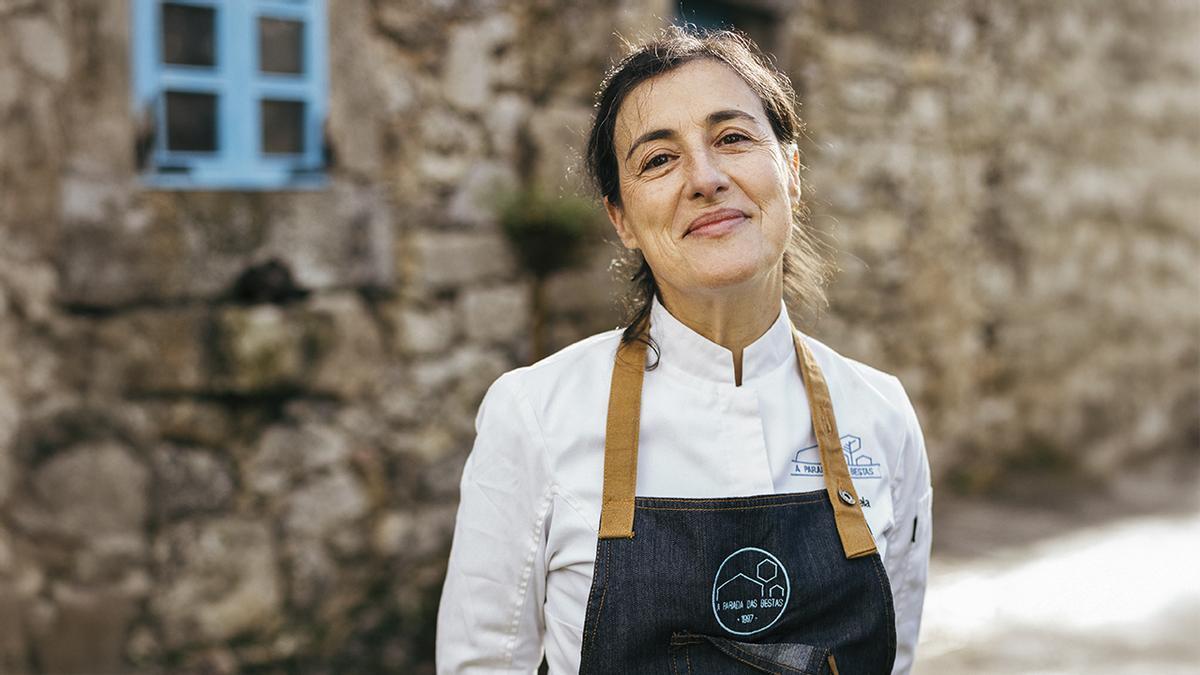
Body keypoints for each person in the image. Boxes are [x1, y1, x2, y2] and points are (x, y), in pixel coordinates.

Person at [436, 26, 933, 675]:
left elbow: (892, 659)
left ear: (791, 170)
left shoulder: (881, 414)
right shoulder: (535, 415)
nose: (705, 178)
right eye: (658, 160)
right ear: (622, 219)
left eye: (732, 138)